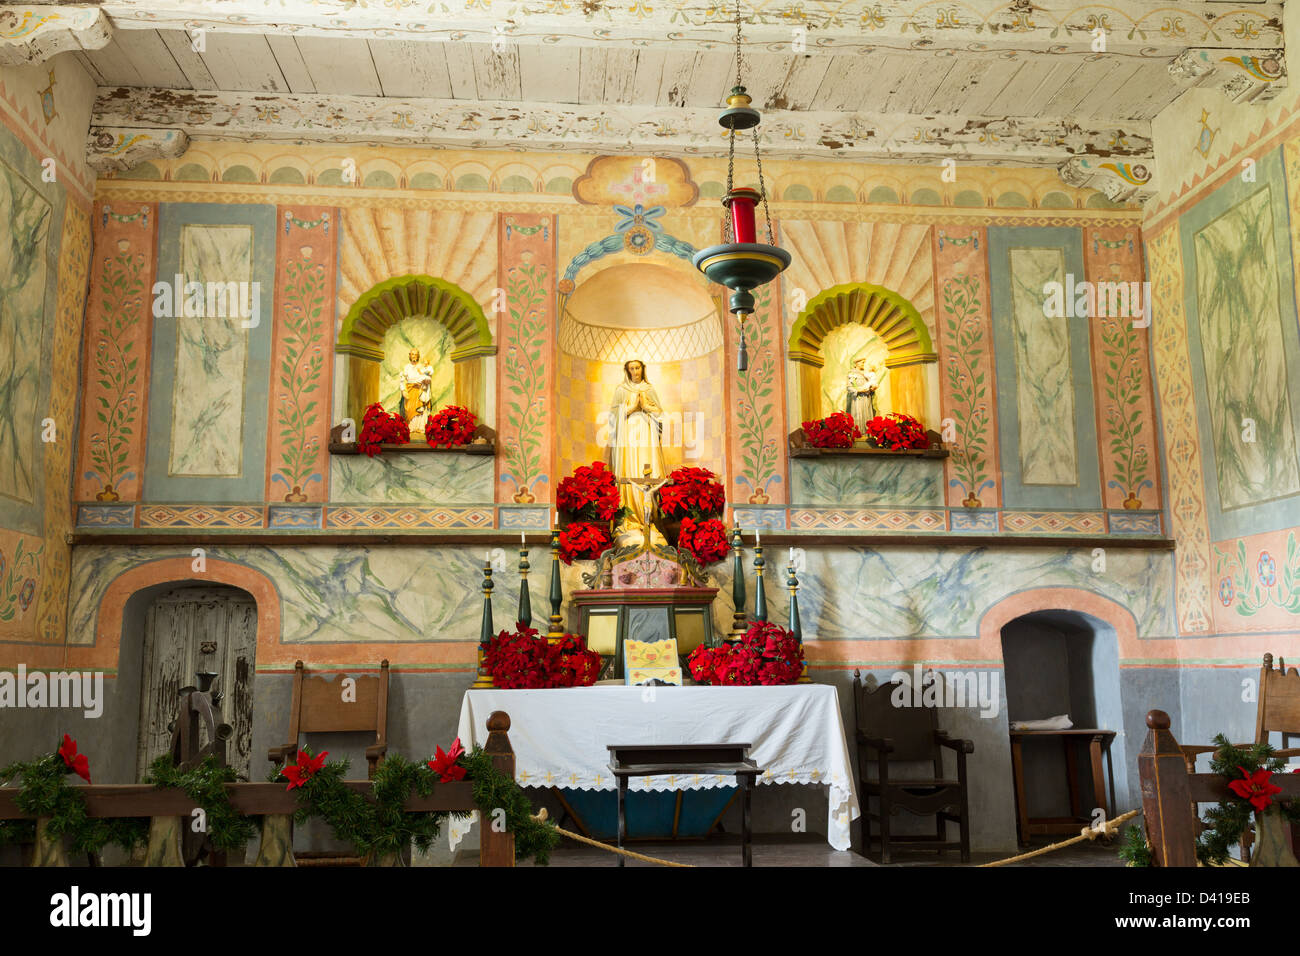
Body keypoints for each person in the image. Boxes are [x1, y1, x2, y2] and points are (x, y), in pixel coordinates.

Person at [607, 359, 667, 545]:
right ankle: (630, 519)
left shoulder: (649, 389)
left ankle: (648, 521)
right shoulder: (621, 390)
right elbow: (612, 418)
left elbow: (661, 415)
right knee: (631, 472)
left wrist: (648, 408)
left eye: (638, 367)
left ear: (643, 369)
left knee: (646, 471)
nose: (635, 371)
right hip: (628, 442)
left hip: (646, 439)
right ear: (627, 371)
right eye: (631, 368)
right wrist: (631, 409)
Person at [845, 356, 883, 433]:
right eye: (862, 362)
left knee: (867, 416)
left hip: (866, 398)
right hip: (857, 399)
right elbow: (849, 388)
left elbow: (870, 384)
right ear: (857, 363)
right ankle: (858, 434)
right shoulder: (852, 374)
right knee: (858, 416)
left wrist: (872, 389)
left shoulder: (866, 374)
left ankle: (867, 434)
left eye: (864, 362)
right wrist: (859, 391)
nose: (863, 364)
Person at [400, 348, 434, 425]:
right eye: (412, 354)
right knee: (409, 409)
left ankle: (420, 426)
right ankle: (411, 426)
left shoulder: (422, 367)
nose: (414, 356)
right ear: (409, 355)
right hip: (410, 390)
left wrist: (424, 383)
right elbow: (403, 379)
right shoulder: (407, 367)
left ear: (418, 356)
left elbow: (427, 378)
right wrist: (403, 391)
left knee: (420, 410)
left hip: (420, 391)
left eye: (415, 354)